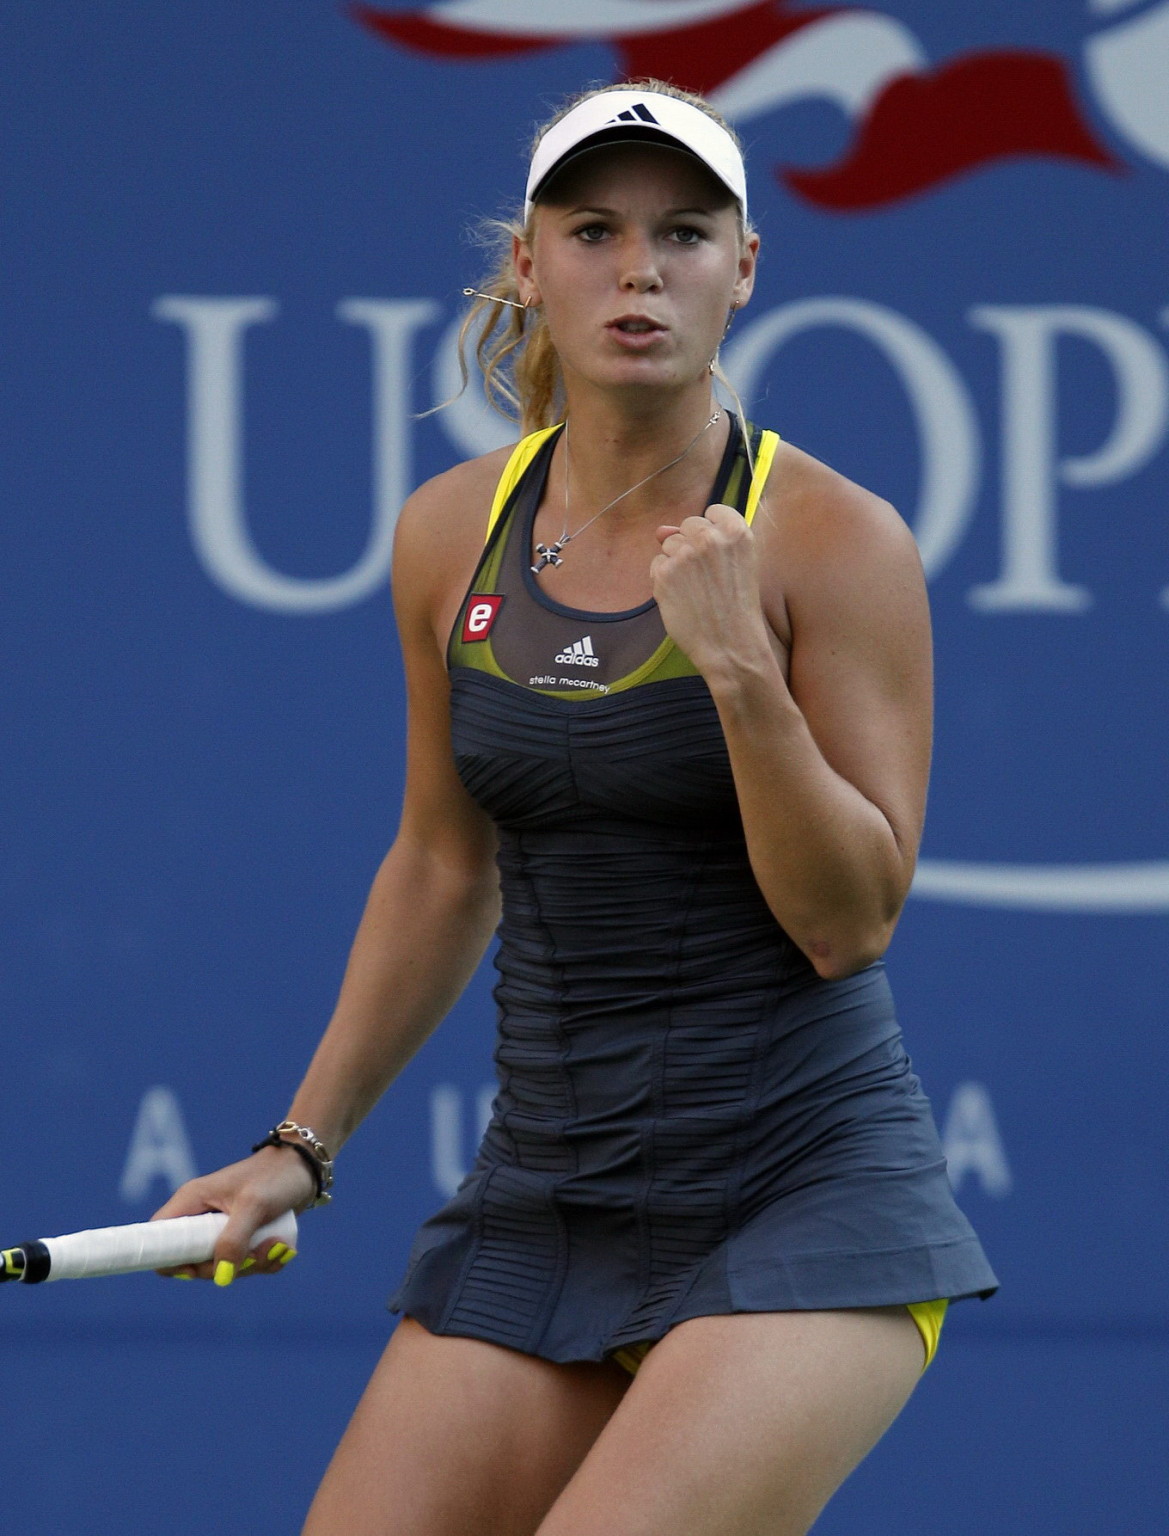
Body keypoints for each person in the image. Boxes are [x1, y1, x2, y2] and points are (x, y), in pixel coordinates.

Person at [154, 80, 997, 1536]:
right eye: (593, 229)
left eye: (683, 234)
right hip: (545, 1194)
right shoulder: (447, 531)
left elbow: (846, 922)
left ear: (742, 271)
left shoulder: (835, 541)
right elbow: (438, 863)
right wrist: (300, 1147)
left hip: (805, 1197)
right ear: (528, 265)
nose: (638, 269)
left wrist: (740, 671)